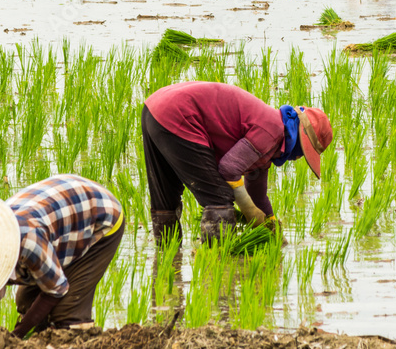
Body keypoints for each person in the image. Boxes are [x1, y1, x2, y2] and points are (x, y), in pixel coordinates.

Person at [0, 174, 124, 337]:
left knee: (67, 313)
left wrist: (16, 337)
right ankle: (44, 336)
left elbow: (56, 288)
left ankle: (76, 336)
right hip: (54, 220)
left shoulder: (27, 240)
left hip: (100, 216)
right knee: (27, 303)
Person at [141, 81, 333, 244]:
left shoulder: (269, 142)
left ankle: (168, 261)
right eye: (303, 152)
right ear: (298, 139)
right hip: (179, 113)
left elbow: (257, 195)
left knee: (166, 196)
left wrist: (271, 225)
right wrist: (249, 211)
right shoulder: (272, 130)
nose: (298, 158)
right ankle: (219, 264)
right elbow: (229, 169)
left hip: (154, 108)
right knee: (219, 198)